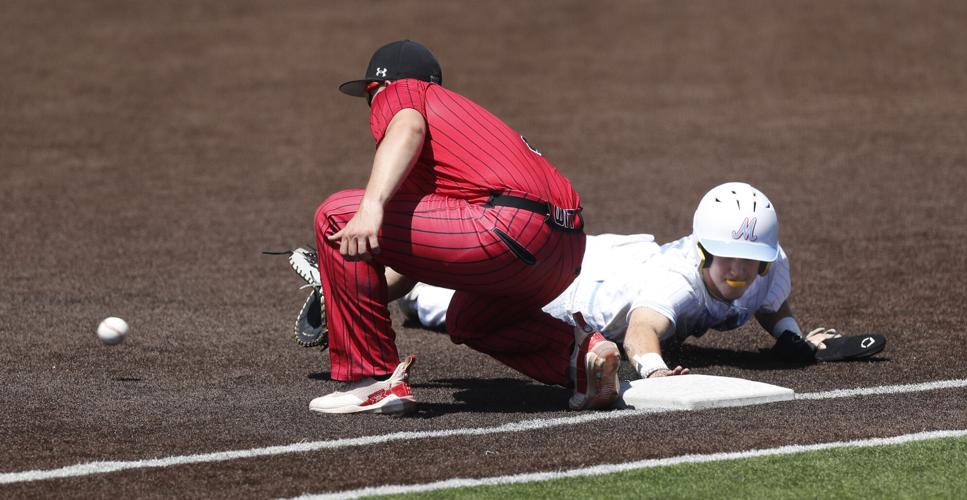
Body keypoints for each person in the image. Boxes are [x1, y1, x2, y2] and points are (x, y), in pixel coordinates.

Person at [304, 40, 619, 415]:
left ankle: (369, 380)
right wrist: (346, 298)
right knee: (470, 321)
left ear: (379, 88)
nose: (371, 106)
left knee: (337, 214)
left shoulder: (403, 92)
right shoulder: (461, 135)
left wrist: (370, 207)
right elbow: (411, 261)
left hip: (508, 227)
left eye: (369, 96)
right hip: (563, 251)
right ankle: (581, 359)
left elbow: (407, 127)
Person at [393, 182, 885, 378]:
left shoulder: (769, 263)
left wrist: (789, 337)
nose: (739, 270)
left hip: (618, 259)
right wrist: (655, 371)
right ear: (707, 250)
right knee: (441, 292)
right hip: (574, 289)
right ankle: (360, 277)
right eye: (727, 257)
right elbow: (640, 332)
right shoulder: (677, 282)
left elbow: (768, 303)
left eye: (748, 259)